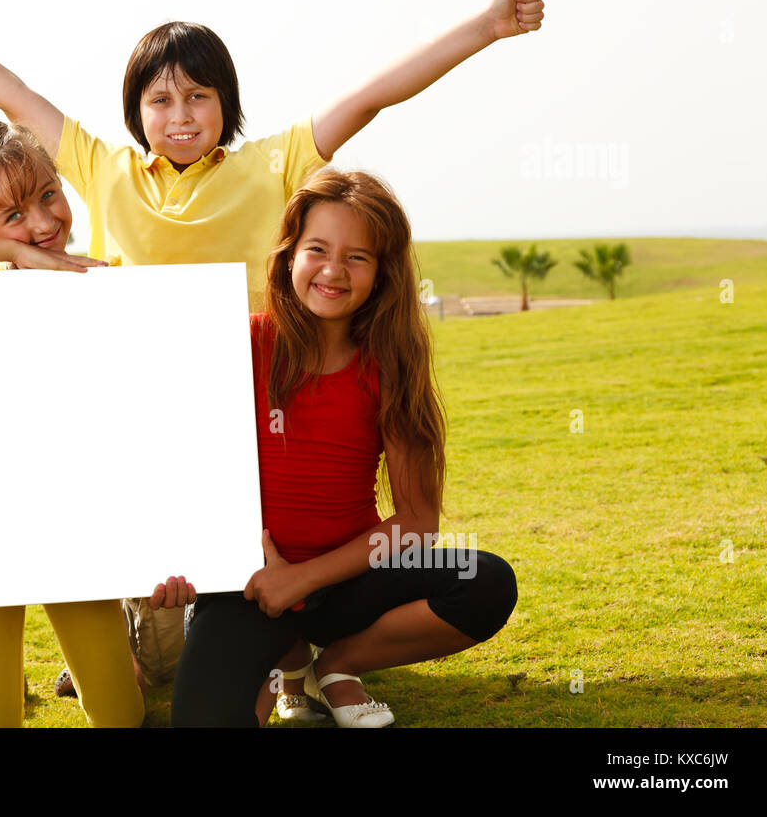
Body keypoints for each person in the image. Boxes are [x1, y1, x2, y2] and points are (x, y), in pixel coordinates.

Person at [0, 0, 542, 692]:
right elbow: (9, 92)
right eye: (160, 101)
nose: (180, 117)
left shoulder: (273, 166)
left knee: (250, 570)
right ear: (136, 110)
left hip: (255, 405)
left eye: (199, 98)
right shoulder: (103, 170)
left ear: (226, 104)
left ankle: (293, 657)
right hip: (148, 421)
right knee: (161, 633)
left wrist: (485, 27)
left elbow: (369, 97)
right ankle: (147, 646)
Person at [169, 169, 519, 728]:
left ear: (382, 275)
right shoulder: (240, 343)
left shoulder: (391, 363)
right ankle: (282, 662)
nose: (333, 271)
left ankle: (339, 663)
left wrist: (303, 580)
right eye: (317, 249)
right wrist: (179, 560)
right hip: (251, 586)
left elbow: (417, 522)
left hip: (347, 582)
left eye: (358, 257)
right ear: (289, 256)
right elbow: (174, 462)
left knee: (486, 582)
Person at [0, 121, 194, 727]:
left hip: (73, 521)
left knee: (120, 713)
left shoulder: (97, 278)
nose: (44, 223)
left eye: (48, 194)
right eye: (13, 214)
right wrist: (14, 254)